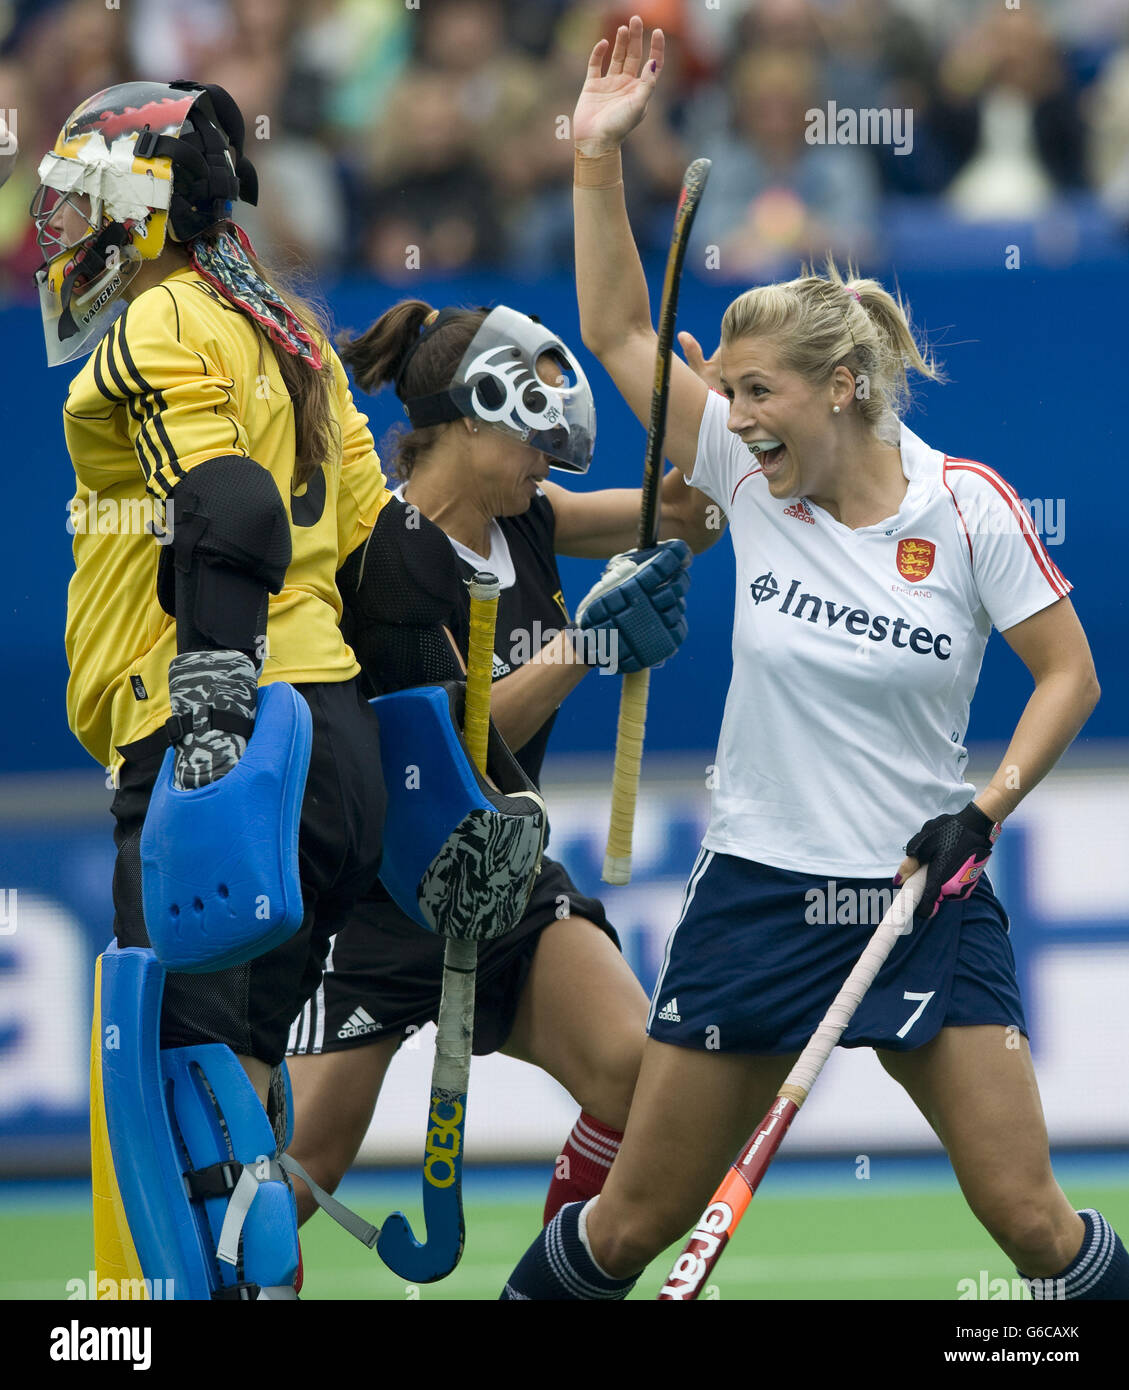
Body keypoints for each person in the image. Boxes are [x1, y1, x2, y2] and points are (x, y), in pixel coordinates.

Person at [500, 17, 1128, 1301]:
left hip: (922, 899)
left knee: (1030, 1225)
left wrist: (985, 809)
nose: (726, 420)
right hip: (757, 899)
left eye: (754, 394)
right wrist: (591, 159)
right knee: (628, 1229)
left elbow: (1069, 676)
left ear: (841, 385)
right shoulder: (746, 476)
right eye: (721, 395)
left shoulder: (967, 510)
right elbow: (621, 333)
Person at [36, 80, 391, 1299]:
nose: (69, 231)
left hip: (220, 739)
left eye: (87, 204)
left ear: (141, 207)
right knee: (236, 1085)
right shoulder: (293, 335)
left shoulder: (157, 327)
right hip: (326, 737)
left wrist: (213, 711)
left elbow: (225, 502)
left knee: (182, 1093)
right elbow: (382, 564)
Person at [284, 298, 715, 1232]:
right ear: (471, 418)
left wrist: (707, 426)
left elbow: (688, 517)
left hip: (504, 878)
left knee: (643, 1081)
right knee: (295, 1175)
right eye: (533, 442)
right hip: (381, 900)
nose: (545, 464)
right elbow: (457, 748)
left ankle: (562, 1274)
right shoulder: (384, 557)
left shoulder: (525, 518)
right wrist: (585, 647)